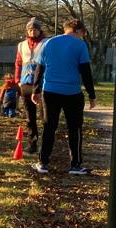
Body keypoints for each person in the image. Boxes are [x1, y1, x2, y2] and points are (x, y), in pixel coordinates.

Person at [32, 18, 96, 175]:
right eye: (83, 34)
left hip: (50, 91)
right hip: (72, 92)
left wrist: (36, 90)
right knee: (75, 128)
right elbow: (86, 71)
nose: (83, 37)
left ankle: (43, 162)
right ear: (79, 31)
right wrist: (91, 94)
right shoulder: (80, 45)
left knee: (49, 126)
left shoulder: (49, 43)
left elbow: (40, 68)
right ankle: (75, 165)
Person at [14, 18, 46, 153]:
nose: (32, 32)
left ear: (39, 30)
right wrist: (17, 80)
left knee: (45, 116)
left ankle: (45, 144)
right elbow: (18, 63)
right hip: (26, 83)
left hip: (43, 84)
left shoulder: (46, 43)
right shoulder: (21, 45)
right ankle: (32, 143)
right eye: (30, 29)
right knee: (29, 117)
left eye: (35, 29)